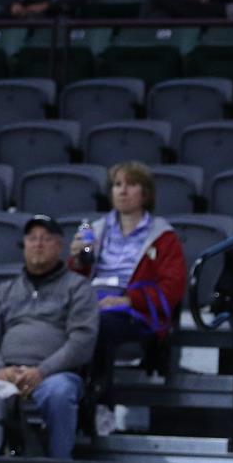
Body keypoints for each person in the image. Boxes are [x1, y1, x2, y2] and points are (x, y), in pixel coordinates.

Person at [72, 161, 185, 437]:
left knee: (96, 325)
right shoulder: (94, 230)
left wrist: (129, 300)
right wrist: (76, 259)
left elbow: (172, 287)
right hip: (90, 301)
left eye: (131, 185)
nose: (123, 191)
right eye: (117, 185)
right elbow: (72, 277)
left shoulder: (163, 237)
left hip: (135, 309)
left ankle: (100, 405)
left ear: (145, 194)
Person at [0, 216, 98, 460]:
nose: (38, 244)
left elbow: (82, 341)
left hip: (53, 375)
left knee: (60, 393)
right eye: (32, 238)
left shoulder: (79, 287)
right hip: (5, 373)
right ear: (24, 245)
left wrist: (41, 371)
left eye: (46, 238)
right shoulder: (5, 290)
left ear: (59, 246)